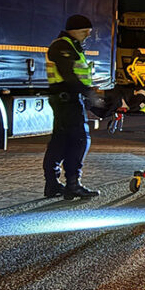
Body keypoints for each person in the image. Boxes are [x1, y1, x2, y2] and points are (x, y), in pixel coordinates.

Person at [43, 14, 101, 199]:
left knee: (60, 142)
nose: (87, 36)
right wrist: (88, 92)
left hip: (66, 99)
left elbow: (76, 74)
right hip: (67, 101)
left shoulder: (71, 46)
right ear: (74, 30)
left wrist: (88, 90)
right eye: (85, 32)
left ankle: (53, 185)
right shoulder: (62, 46)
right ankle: (73, 185)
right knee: (79, 141)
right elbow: (69, 75)